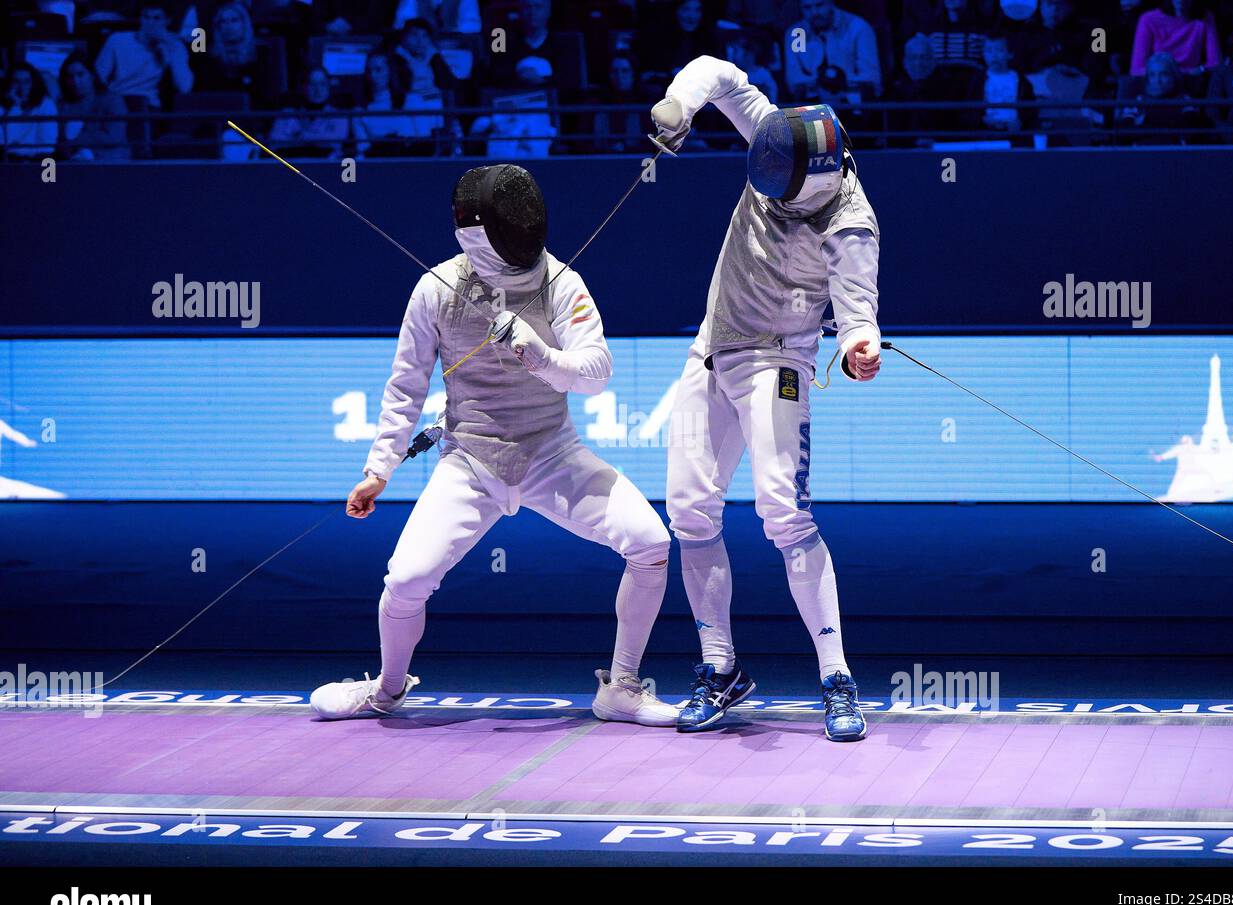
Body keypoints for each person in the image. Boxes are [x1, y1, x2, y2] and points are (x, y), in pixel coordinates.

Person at [310, 164, 677, 728]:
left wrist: (542, 355)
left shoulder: (561, 282)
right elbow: (406, 384)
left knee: (651, 542)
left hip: (552, 455)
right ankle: (386, 689)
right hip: (470, 462)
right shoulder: (435, 289)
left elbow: (598, 370)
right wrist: (379, 468)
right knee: (405, 580)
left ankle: (621, 687)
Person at [650, 56, 882, 742]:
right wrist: (676, 102)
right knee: (688, 508)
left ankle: (836, 677)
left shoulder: (850, 223)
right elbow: (718, 73)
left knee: (783, 511)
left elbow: (858, 309)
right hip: (711, 347)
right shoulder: (780, 138)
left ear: (820, 183)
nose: (770, 192)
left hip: (778, 358)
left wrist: (860, 346)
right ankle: (719, 667)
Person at [94, 3, 194, 108]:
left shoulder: (173, 45)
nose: (150, 23)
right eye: (146, 17)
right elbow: (99, 76)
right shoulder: (117, 40)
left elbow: (185, 87)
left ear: (167, 21)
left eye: (157, 18)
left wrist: (173, 48)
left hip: (147, 103)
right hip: (116, 99)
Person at [784, 0, 883, 99]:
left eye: (819, 5)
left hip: (853, 102)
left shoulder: (858, 28)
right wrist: (819, 84)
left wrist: (840, 83)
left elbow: (870, 77)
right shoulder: (796, 34)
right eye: (807, 8)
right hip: (812, 102)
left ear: (831, 3)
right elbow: (794, 79)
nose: (814, 13)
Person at [57, 53, 130, 161]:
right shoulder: (63, 105)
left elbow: (114, 136)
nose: (75, 82)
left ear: (92, 75)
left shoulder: (112, 100)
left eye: (80, 75)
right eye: (70, 76)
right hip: (70, 163)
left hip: (108, 160)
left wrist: (77, 140)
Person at [2, 63, 59, 159]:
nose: (21, 87)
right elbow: (5, 142)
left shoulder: (46, 104)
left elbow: (47, 145)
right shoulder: (4, 108)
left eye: (26, 82)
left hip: (39, 160)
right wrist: (15, 106)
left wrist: (20, 149)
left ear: (33, 83)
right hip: (12, 161)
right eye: (16, 82)